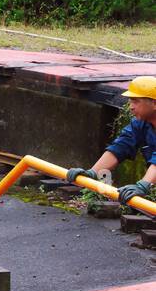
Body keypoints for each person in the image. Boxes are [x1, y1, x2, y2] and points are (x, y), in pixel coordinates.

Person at [67, 76, 156, 207]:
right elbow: (121, 146)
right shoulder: (140, 124)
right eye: (130, 101)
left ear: (154, 103)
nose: (130, 107)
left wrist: (143, 185)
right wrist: (92, 173)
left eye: (136, 101)